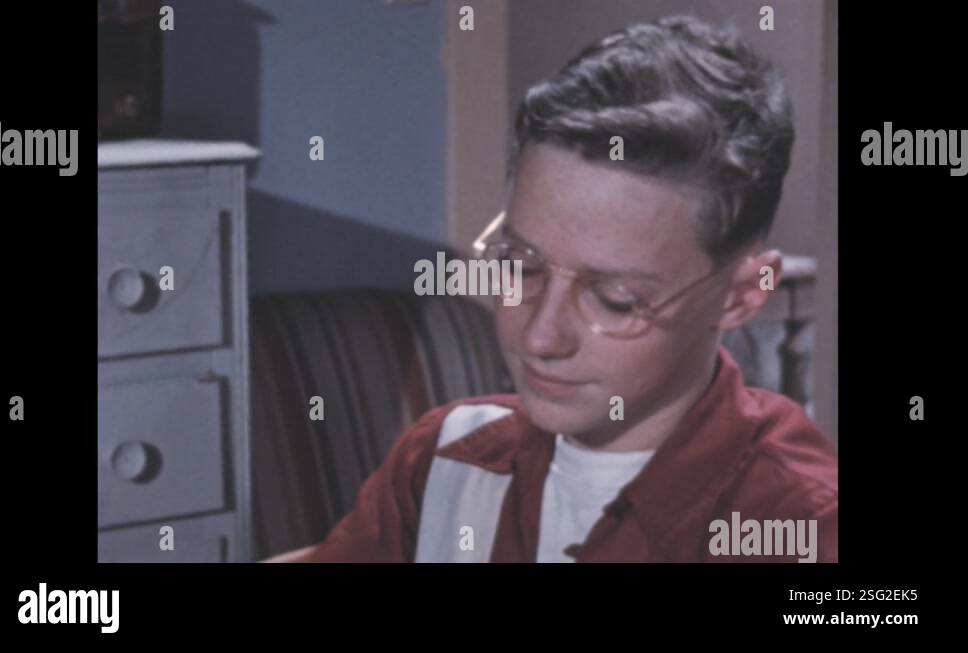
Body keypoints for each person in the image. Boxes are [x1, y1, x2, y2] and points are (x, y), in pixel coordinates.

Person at [267, 14, 837, 563]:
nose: (540, 337)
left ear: (740, 296)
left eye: (616, 299)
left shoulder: (798, 526)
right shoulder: (444, 458)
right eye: (521, 266)